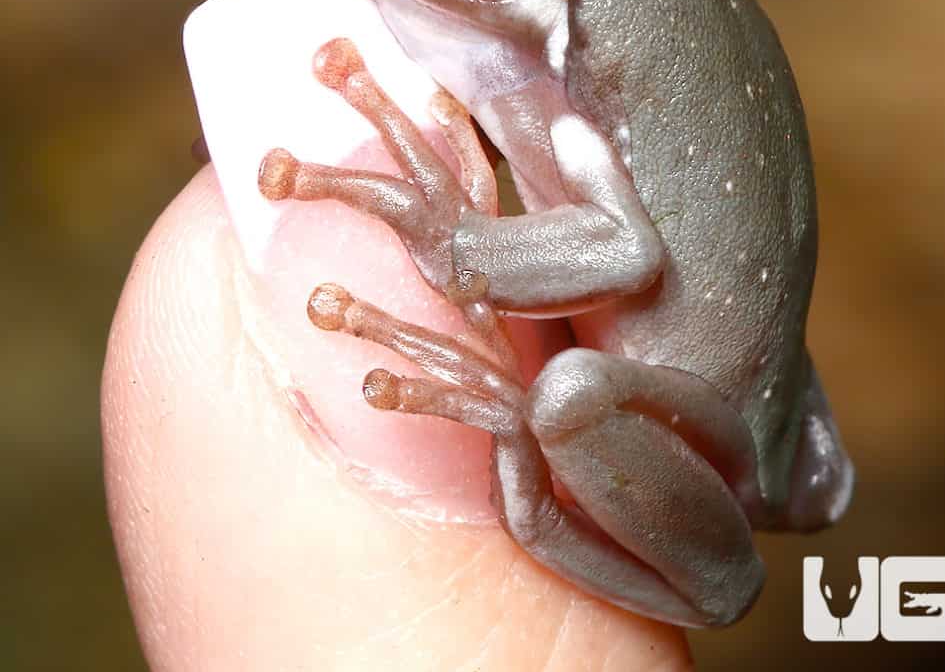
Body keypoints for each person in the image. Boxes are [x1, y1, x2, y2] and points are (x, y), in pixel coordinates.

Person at [103, 165, 690, 671]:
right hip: (654, 372)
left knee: (563, 396)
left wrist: (463, 243)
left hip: (690, 433)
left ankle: (522, 472)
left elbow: (626, 251)